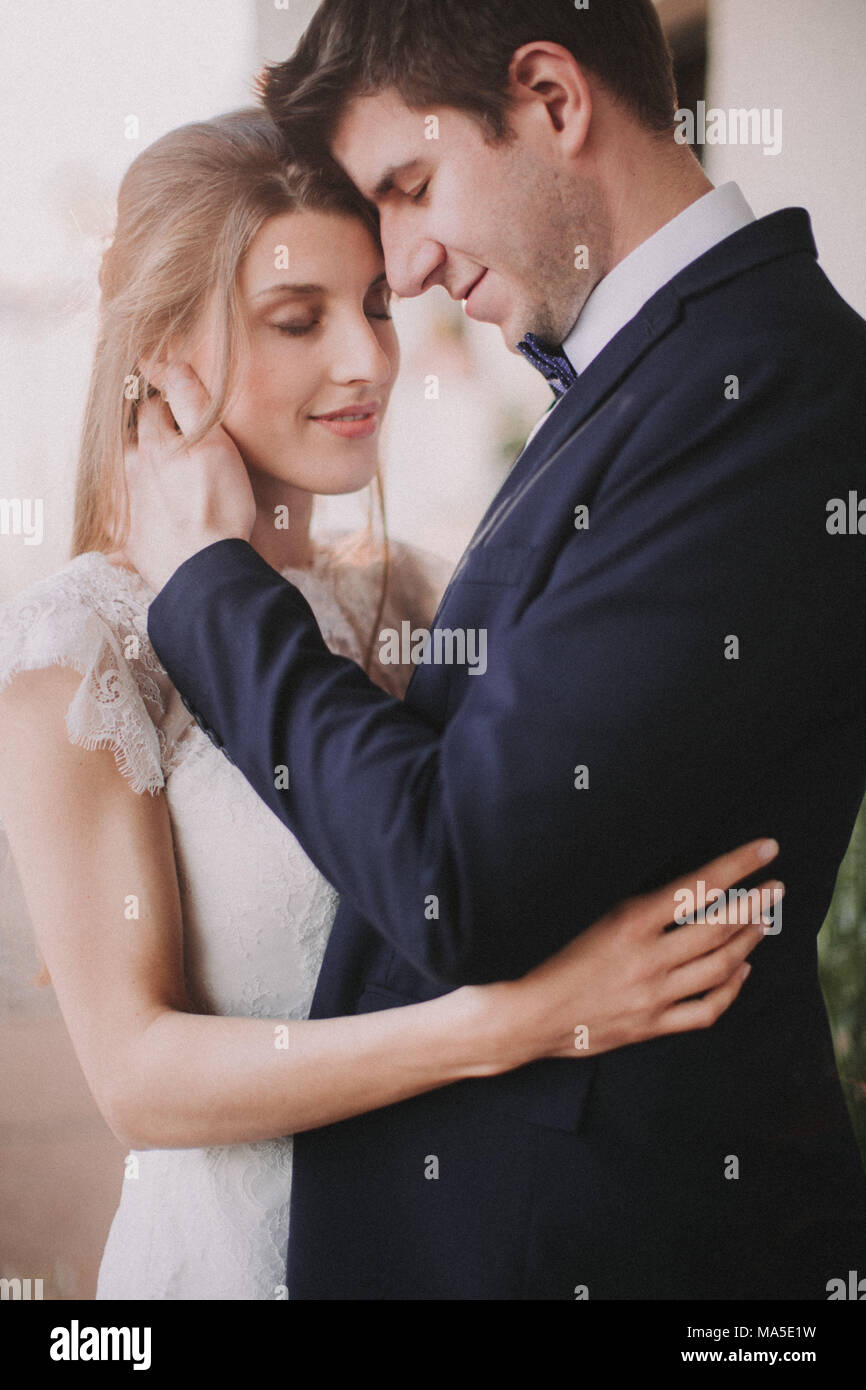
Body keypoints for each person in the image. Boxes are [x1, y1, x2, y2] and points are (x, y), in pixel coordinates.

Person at [120, 0, 866, 1300]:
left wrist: (208, 587)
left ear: (552, 97)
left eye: (409, 189)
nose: (399, 274)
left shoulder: (767, 385)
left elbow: (450, 875)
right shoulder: (651, 377)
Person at [0, 107, 771, 1302]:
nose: (366, 360)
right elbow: (135, 1078)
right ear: (160, 350)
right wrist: (512, 1022)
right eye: (296, 320)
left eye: (370, 305)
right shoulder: (82, 647)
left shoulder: (410, 593)